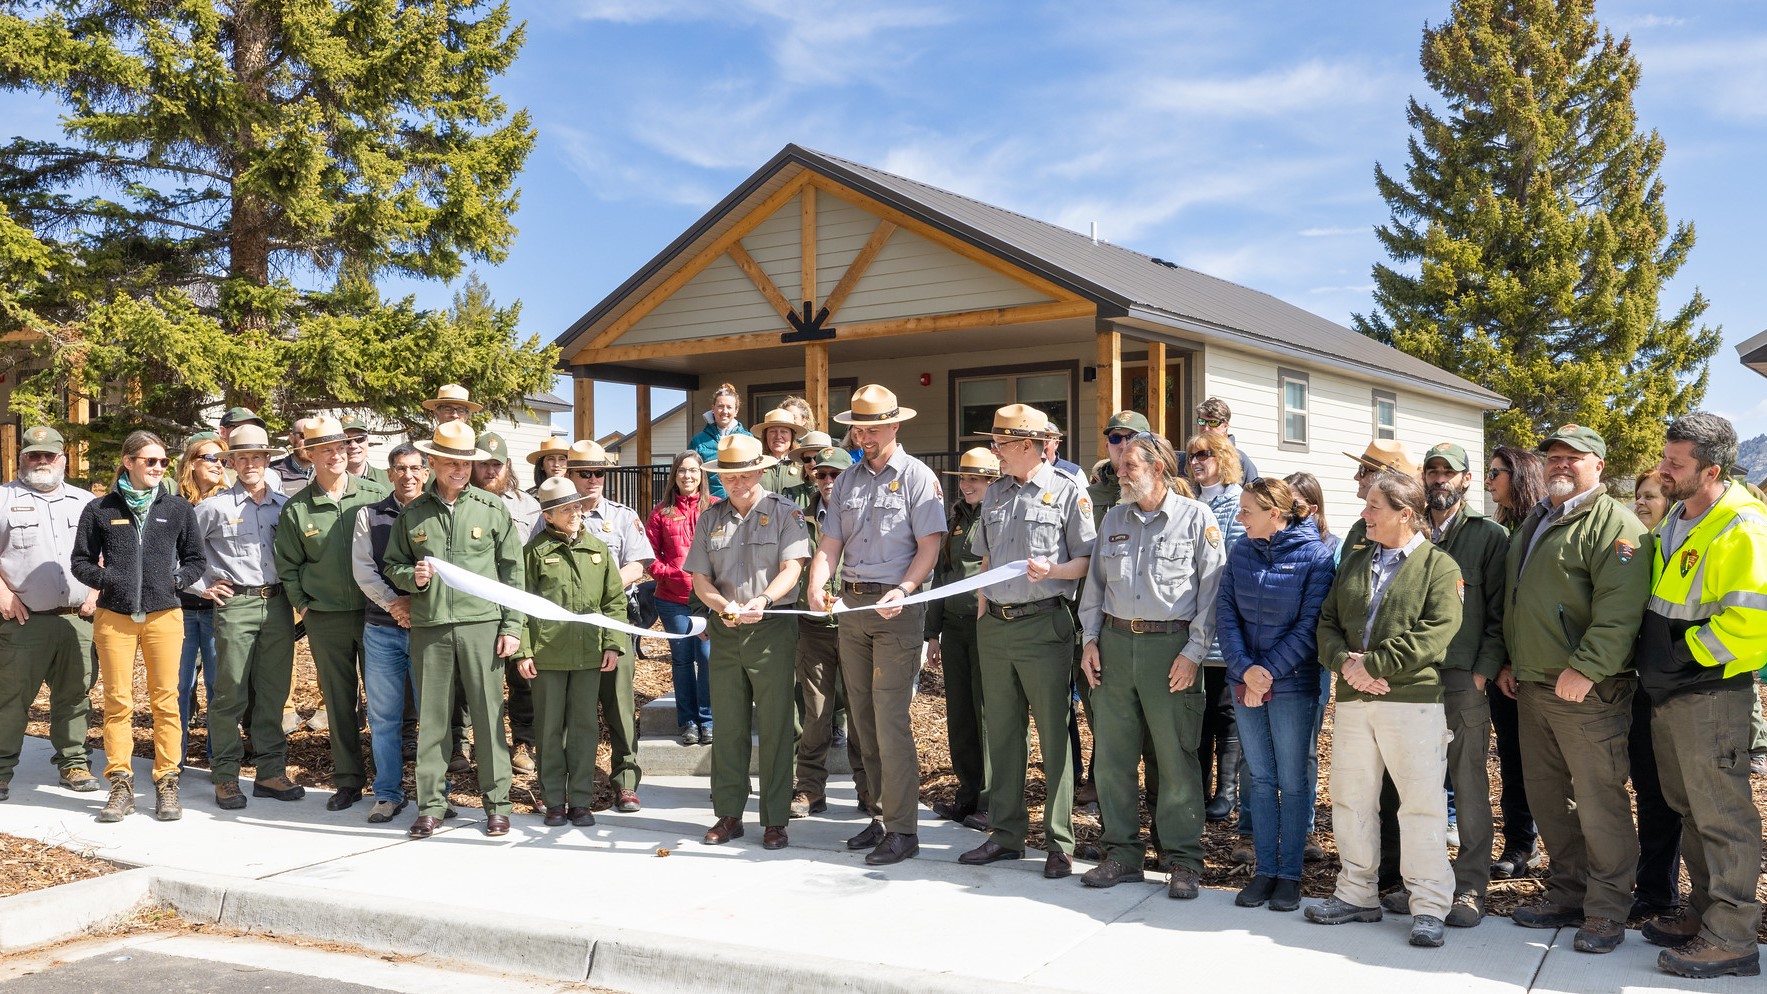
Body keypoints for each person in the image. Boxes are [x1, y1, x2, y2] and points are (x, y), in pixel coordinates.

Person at [1503, 425, 1651, 955]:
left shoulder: (1617, 526)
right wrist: (1511, 660)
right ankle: (1567, 893)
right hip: (1534, 684)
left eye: (1573, 457)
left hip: (1587, 691)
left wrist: (1586, 668)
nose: (1560, 464)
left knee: (1598, 802)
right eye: (1553, 457)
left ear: (1600, 466)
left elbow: (1621, 610)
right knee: (1550, 800)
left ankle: (1608, 909)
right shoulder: (1539, 519)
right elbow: (1518, 597)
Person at [1633, 412, 1765, 980]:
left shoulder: (1743, 524)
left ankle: (1733, 936)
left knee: (1722, 814)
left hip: (1709, 692)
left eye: (1674, 463)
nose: (1663, 469)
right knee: (1691, 809)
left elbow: (1755, 621)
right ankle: (1706, 914)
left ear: (1711, 468)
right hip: (1673, 691)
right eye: (1665, 458)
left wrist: (1685, 655)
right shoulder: (1684, 517)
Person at [1308, 471, 1463, 949]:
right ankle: (1357, 894)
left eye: (1375, 507)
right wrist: (1344, 665)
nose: (1364, 513)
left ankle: (1430, 905)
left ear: (1406, 513)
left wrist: (1370, 665)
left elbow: (1435, 633)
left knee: (1421, 805)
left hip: (1411, 703)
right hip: (1356, 702)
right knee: (1352, 798)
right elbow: (1327, 622)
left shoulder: (1440, 568)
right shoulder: (1356, 561)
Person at [1076, 432, 1224, 896]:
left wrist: (1194, 652)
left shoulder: (1196, 518)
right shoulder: (1114, 518)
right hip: (1116, 646)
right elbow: (1096, 588)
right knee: (1114, 758)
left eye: (1129, 467)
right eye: (1120, 466)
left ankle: (1182, 859)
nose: (1119, 473)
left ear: (1158, 468)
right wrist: (1090, 640)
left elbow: (1213, 594)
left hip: (1171, 649)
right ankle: (1121, 853)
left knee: (1176, 757)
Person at [804, 384, 945, 867]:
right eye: (857, 428)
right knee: (863, 724)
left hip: (896, 612)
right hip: (851, 609)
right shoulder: (847, 480)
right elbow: (830, 543)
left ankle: (904, 829)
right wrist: (816, 584)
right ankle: (881, 815)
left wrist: (905, 589)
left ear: (894, 425)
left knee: (891, 723)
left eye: (871, 427)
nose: (862, 436)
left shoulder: (918, 478)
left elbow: (930, 546)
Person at [1375, 442, 1509, 929]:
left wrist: (1482, 670)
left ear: (1467, 480)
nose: (1438, 479)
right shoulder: (1404, 531)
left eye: (1448, 472)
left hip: (1460, 677)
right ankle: (1421, 883)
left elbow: (1499, 613)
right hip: (1407, 679)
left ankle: (1471, 886)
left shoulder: (1488, 536)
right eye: (1431, 471)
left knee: (1468, 784)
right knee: (1413, 786)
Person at [958, 404, 1095, 881]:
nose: (994, 451)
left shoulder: (1067, 493)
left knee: (1054, 735)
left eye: (1000, 444)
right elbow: (987, 555)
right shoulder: (995, 493)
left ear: (1026, 446)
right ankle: (1005, 834)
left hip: (1044, 625)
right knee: (1003, 732)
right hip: (995, 625)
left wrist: (1052, 571)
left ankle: (1059, 841)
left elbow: (1086, 561)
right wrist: (981, 604)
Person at [383, 421, 525, 839]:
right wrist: (414, 578)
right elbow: (392, 564)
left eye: (468, 462)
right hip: (431, 628)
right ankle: (432, 804)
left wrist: (512, 625)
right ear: (434, 463)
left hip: (482, 626)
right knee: (434, 720)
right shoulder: (413, 514)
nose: (461, 469)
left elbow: (512, 574)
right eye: (452, 461)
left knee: (487, 717)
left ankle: (497, 805)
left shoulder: (491, 508)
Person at [70, 431, 207, 822]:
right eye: (151, 461)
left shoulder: (177, 508)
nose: (159, 468)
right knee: (117, 702)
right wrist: (110, 580)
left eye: (163, 462)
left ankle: (167, 781)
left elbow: (196, 559)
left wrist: (176, 582)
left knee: (167, 701)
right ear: (128, 462)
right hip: (114, 617)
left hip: (165, 616)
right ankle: (121, 784)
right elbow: (80, 561)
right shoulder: (99, 509)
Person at [686, 434, 811, 850]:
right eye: (727, 475)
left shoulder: (784, 512)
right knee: (728, 725)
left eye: (743, 474)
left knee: (776, 725)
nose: (735, 482)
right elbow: (700, 579)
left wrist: (763, 599)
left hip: (772, 627)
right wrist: (721, 605)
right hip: (725, 630)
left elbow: (793, 568)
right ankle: (729, 814)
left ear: (760, 471)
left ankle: (775, 819)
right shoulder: (711, 518)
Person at [1217, 476, 1335, 911]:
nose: (1240, 518)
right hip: (1245, 679)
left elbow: (1310, 627)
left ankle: (1289, 876)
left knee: (1292, 779)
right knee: (1261, 779)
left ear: (1276, 514)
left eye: (1247, 511)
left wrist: (1267, 671)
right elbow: (1225, 613)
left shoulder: (1317, 557)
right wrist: (1246, 670)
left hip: (1292, 685)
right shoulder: (1241, 551)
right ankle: (1264, 871)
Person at [273, 416, 391, 812]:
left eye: (341, 447)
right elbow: (288, 564)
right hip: (326, 618)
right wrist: (303, 603)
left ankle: (389, 781)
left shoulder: (375, 495)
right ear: (309, 454)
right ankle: (348, 780)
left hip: (376, 614)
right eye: (327, 449)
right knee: (340, 701)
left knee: (382, 700)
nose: (337, 455)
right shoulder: (297, 508)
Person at [190, 425, 306, 810]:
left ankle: (270, 771)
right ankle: (225, 775)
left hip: (277, 604)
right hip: (235, 605)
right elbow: (181, 556)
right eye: (242, 458)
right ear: (231, 463)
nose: (250, 464)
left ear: (267, 460)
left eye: (257, 457)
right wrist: (204, 585)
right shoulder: (213, 508)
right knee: (230, 693)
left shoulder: (286, 507)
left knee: (273, 692)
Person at [514, 477, 627, 830]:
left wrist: (612, 643)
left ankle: (579, 801)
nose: (575, 513)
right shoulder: (533, 553)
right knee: (548, 731)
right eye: (566, 508)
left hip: (589, 655)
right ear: (548, 516)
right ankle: (553, 802)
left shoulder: (597, 549)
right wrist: (524, 651)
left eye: (577, 506)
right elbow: (519, 606)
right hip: (548, 656)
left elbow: (614, 601)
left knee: (583, 730)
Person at [0, 427, 100, 802]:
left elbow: (105, 555)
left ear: (63, 459)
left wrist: (96, 590)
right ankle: (1, 769)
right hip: (23, 621)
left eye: (49, 455)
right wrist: (3, 593)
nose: (41, 462)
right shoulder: (3, 499)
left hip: (79, 617)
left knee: (76, 694)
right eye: (33, 455)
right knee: (10, 698)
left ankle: (73, 762)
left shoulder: (86, 501)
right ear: (22, 457)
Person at [566, 439, 655, 813]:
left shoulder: (621, 516)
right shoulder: (554, 514)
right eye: (584, 473)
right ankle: (578, 784)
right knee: (577, 711)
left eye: (598, 472)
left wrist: (601, 587)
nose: (592, 479)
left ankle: (626, 782)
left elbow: (639, 564)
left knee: (619, 707)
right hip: (570, 629)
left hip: (613, 622)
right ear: (569, 475)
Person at [1617, 468, 1685, 922]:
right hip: (1635, 689)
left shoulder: (1676, 553)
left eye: (1652, 497)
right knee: (1646, 790)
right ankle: (1649, 886)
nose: (1641, 503)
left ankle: (1662, 892)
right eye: (1638, 496)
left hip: (1674, 690)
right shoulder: (1634, 550)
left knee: (1666, 797)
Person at [350, 442, 430, 823]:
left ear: (426, 472)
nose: (408, 475)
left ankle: (434, 796)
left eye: (415, 468)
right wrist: (395, 604)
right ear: (389, 473)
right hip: (381, 629)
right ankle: (387, 794)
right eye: (400, 468)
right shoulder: (370, 515)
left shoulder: (438, 514)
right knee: (383, 717)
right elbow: (364, 569)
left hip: (428, 630)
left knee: (432, 715)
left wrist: (417, 606)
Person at [792, 444, 867, 819]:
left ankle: (869, 789)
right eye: (820, 474)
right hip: (814, 628)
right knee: (816, 714)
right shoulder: (798, 517)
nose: (826, 480)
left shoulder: (862, 514)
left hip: (855, 625)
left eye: (835, 474)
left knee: (860, 712)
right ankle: (809, 790)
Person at [925, 447, 998, 826]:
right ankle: (967, 795)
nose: (967, 485)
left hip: (984, 623)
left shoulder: (999, 515)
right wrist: (932, 633)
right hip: (953, 626)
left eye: (975, 479)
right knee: (960, 715)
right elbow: (942, 574)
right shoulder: (955, 519)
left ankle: (990, 801)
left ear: (991, 481)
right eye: (964, 479)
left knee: (985, 713)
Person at [1483, 445, 1547, 880]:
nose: (1489, 481)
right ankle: (1521, 843)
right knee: (1512, 758)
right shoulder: (1504, 527)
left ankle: (1542, 845)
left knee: (1538, 763)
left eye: (1495, 473)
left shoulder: (1538, 525)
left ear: (1519, 475)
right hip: (1506, 668)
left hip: (1538, 668)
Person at [473, 430, 544, 776]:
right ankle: (463, 742)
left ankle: (523, 742)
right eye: (483, 464)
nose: (490, 471)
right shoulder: (463, 500)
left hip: (517, 602)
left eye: (496, 465)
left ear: (508, 466)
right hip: (474, 605)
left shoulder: (529, 506)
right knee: (469, 680)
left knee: (522, 677)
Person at [1187, 431, 1246, 833]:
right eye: (1191, 456)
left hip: (1224, 625)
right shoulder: (1188, 500)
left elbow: (1234, 561)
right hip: (1190, 624)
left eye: (1204, 455)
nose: (1195, 462)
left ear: (1223, 457)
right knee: (1197, 714)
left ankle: (1225, 792)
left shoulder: (1236, 500)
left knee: (1225, 712)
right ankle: (1197, 788)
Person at [646, 450, 715, 745]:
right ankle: (687, 721)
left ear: (702, 475)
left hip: (708, 600)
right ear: (674, 476)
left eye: (693, 470)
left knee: (708, 658)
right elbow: (647, 555)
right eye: (682, 471)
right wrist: (669, 573)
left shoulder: (714, 508)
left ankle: (708, 720)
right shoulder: (662, 512)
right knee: (683, 661)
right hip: (672, 599)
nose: (688, 476)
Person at [174, 433, 228, 764]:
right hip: (177, 607)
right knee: (177, 687)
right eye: (211, 458)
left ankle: (218, 760)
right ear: (193, 462)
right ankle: (171, 760)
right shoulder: (172, 502)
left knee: (219, 687)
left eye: (223, 460)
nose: (219, 465)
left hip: (217, 610)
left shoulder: (231, 502)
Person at [1088, 411, 1152, 524]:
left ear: (1149, 446)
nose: (1123, 445)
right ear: (1107, 446)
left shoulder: (1159, 492)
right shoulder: (1089, 496)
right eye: (1115, 438)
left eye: (1132, 437)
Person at [1173, 397, 1258, 482]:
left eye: (1213, 423)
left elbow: (1253, 494)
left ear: (1225, 426)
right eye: (1202, 422)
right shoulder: (1186, 458)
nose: (1206, 428)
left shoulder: (1240, 459)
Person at [689, 383, 750, 499]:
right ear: (713, 409)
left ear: (736, 411)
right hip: (710, 506)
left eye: (729, 407)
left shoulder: (748, 439)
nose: (724, 411)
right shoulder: (698, 441)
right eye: (720, 406)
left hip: (742, 504)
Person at [754, 407, 808, 495]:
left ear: (792, 436)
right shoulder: (755, 465)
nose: (778, 436)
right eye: (773, 431)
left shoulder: (803, 464)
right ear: (765, 436)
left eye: (784, 431)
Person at [341, 414, 391, 487]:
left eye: (359, 439)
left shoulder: (388, 480)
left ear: (367, 441)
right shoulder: (325, 482)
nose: (353, 446)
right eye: (346, 441)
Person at [270, 416, 316, 496]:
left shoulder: (330, 470)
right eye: (304, 436)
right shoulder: (272, 474)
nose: (310, 443)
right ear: (291, 438)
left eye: (315, 438)